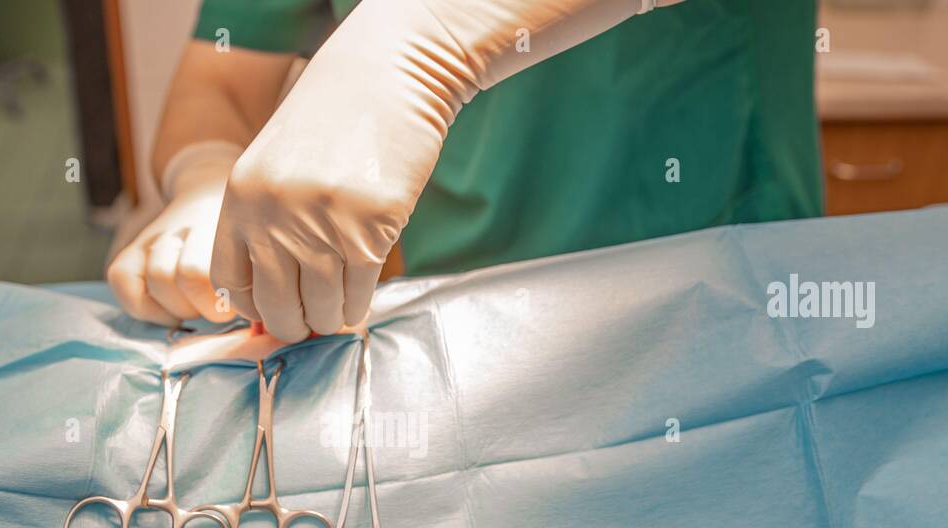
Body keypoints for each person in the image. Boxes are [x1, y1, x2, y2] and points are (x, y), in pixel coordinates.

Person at [108, 0, 821, 343]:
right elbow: (223, 82)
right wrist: (206, 177)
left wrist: (420, 41)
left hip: (713, 302)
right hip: (461, 305)